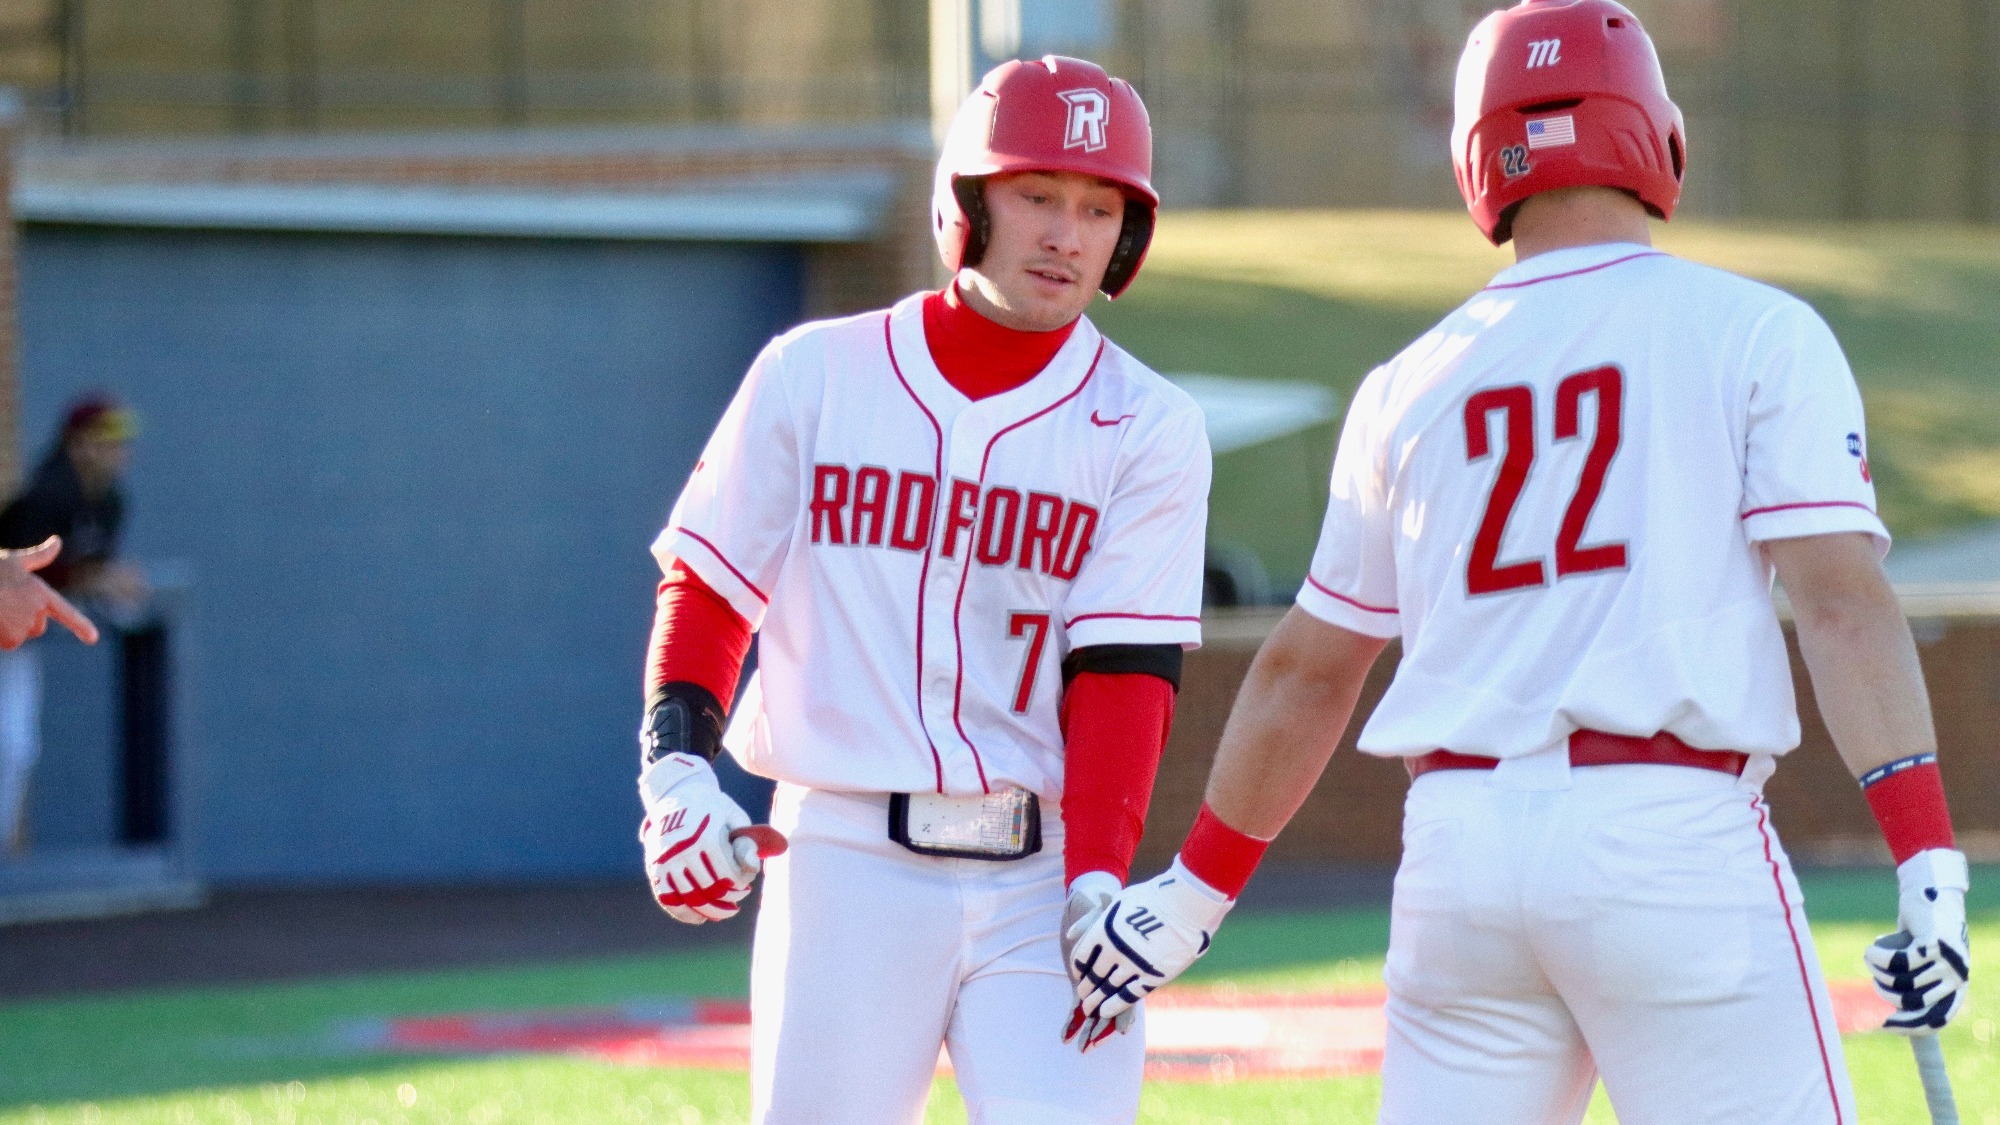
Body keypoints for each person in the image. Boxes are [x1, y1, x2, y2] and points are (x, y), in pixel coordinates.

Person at [1065, 3, 1969, 1123]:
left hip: (1458, 856)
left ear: (1477, 157)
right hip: (1665, 835)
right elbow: (1840, 604)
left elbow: (1307, 670)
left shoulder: (1406, 381)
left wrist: (1195, 895)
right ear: (1653, 131)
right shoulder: (1753, 330)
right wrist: (1924, 856)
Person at [637, 57, 1210, 1124]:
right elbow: (711, 588)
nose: (1065, 233)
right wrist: (673, 774)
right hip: (847, 855)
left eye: (1098, 208)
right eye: (1036, 195)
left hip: (1045, 869)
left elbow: (1123, 671)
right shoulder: (813, 372)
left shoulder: (1148, 423)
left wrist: (1098, 878)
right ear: (967, 202)